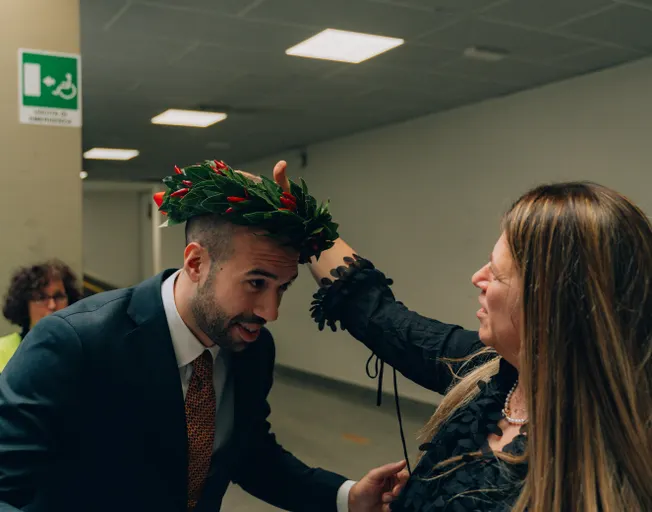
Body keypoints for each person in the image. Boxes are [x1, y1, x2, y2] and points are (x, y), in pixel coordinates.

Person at [0, 160, 407, 512]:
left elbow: (246, 452)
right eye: (256, 283)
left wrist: (346, 497)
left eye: (282, 287)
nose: (271, 312)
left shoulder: (252, 348)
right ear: (196, 262)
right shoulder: (74, 343)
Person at [272, 161, 652, 512]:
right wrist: (304, 220)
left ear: (552, 301)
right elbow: (374, 310)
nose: (478, 278)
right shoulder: (488, 372)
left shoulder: (605, 459)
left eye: (498, 274)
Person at [0, 260, 81, 372]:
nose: (52, 305)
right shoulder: (2, 349)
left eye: (59, 297)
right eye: (41, 298)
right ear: (25, 305)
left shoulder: (82, 352)